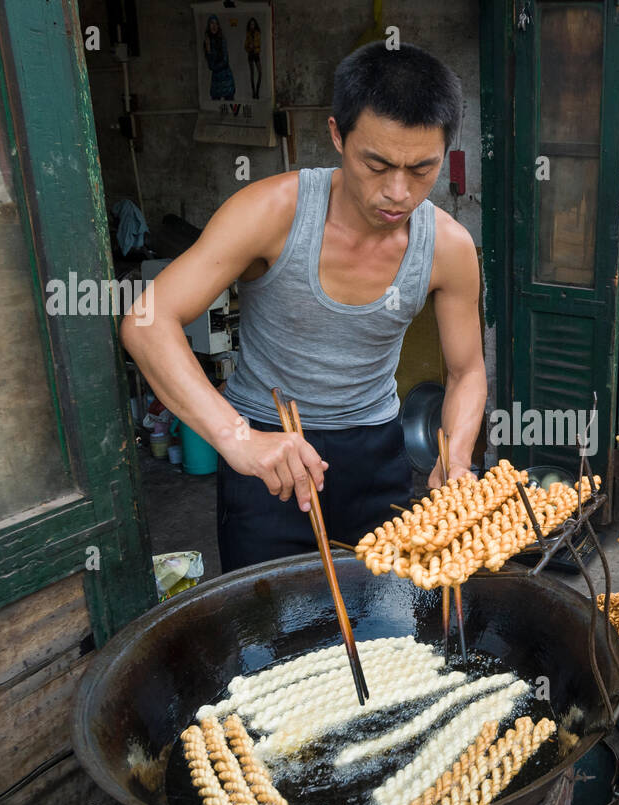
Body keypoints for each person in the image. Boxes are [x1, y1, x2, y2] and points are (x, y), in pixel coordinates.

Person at [121, 42, 486, 573]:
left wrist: (454, 458)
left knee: (380, 623)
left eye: (421, 169)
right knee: (273, 631)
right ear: (337, 135)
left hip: (374, 451)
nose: (398, 192)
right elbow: (147, 321)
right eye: (376, 165)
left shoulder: (449, 247)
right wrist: (237, 439)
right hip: (267, 448)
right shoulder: (270, 213)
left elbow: (467, 368)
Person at [202, 14, 235, 101]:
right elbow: (210, 65)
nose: (214, 26)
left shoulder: (222, 40)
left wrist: (214, 67)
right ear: (208, 25)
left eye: (216, 24)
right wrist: (208, 48)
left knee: (229, 107)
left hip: (226, 77)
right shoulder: (207, 42)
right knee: (215, 107)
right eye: (212, 23)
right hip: (216, 80)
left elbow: (225, 61)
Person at [244, 18, 262, 100]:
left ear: (255, 25)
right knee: (252, 74)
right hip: (251, 54)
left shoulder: (258, 33)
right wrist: (249, 49)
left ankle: (257, 91)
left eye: (253, 24)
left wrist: (255, 48)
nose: (252, 26)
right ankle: (254, 93)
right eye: (251, 24)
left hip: (256, 54)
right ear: (249, 25)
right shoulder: (248, 34)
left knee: (260, 73)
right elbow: (245, 46)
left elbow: (259, 45)